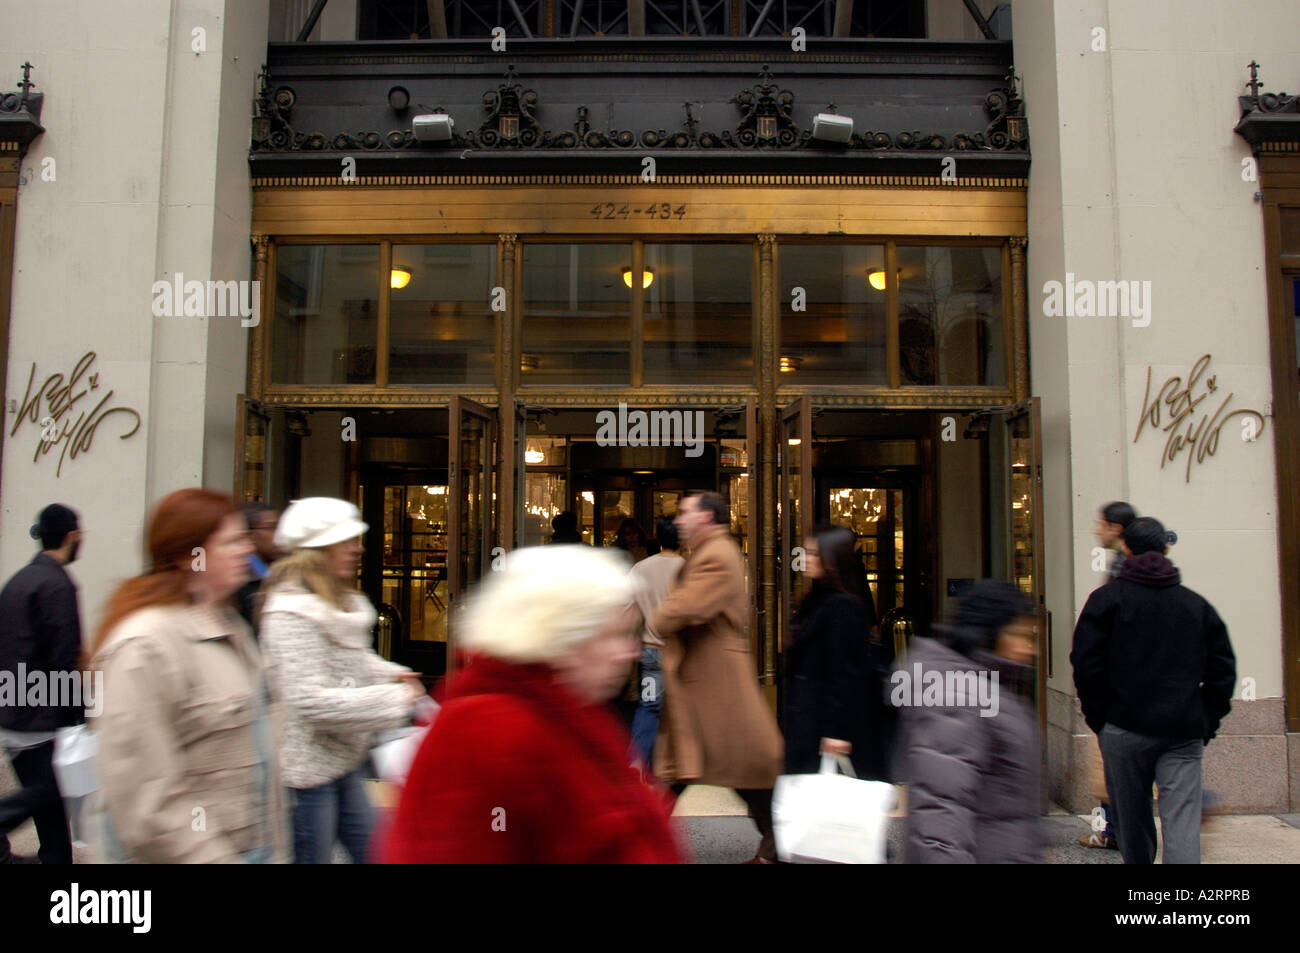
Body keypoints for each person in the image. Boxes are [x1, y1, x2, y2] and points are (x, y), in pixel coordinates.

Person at [381, 545, 684, 863]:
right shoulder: (492, 733)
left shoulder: (572, 709)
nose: (630, 652)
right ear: (564, 640)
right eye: (614, 636)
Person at [91, 489, 288, 863]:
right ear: (190, 555)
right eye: (231, 541)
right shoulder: (145, 645)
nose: (246, 549)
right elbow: (148, 804)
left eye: (245, 538)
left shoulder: (232, 628)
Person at [258, 497, 423, 864]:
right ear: (318, 549)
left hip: (345, 762)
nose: (358, 549)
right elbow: (310, 701)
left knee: (377, 853)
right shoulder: (290, 612)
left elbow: (350, 659)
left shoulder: (336, 602)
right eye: (346, 541)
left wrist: (391, 674)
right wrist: (395, 701)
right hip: (306, 775)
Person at [1071, 516, 1236, 865]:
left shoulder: (1106, 600)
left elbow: (1086, 664)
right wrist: (1206, 719)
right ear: (1166, 548)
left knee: (1131, 819)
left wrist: (1099, 717)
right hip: (1183, 729)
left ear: (1127, 548)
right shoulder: (1195, 605)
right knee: (1183, 822)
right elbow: (1223, 669)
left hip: (1122, 727)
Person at [652, 490, 783, 863]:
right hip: (709, 683)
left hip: (716, 686)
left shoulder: (716, 554)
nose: (678, 520)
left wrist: (663, 614)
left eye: (684, 513)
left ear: (706, 518)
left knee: (746, 773)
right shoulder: (709, 552)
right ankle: (776, 849)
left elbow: (682, 610)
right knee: (739, 773)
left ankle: (781, 848)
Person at [901, 580, 1044, 863]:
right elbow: (940, 810)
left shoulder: (993, 690)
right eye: (1020, 635)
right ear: (989, 636)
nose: (1031, 649)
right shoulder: (960, 697)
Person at [0, 504, 84, 865]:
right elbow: (65, 657)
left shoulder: (20, 579)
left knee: (49, 800)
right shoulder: (58, 584)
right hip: (38, 715)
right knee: (48, 791)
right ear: (71, 536)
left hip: (13, 705)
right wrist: (78, 722)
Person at [784, 524, 886, 780]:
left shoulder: (841, 606)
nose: (805, 559)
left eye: (813, 554)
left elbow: (845, 675)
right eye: (805, 552)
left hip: (822, 727)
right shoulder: (815, 600)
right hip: (808, 722)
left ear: (832, 559)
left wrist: (836, 732)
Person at [1079, 500, 1137, 850]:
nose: (1096, 530)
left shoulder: (1125, 570)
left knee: (1116, 760)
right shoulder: (1125, 564)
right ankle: (1112, 830)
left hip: (1120, 685)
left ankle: (1113, 832)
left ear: (1116, 528)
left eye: (1101, 524)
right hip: (1125, 684)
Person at [627, 516, 685, 769]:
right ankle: (681, 765)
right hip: (682, 653)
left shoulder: (641, 568)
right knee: (683, 709)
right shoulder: (688, 569)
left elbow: (627, 610)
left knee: (649, 707)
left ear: (658, 538)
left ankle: (636, 762)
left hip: (651, 651)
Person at [235, 502, 281, 635]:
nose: (280, 535)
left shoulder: (273, 572)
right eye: (272, 527)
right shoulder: (238, 581)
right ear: (250, 535)